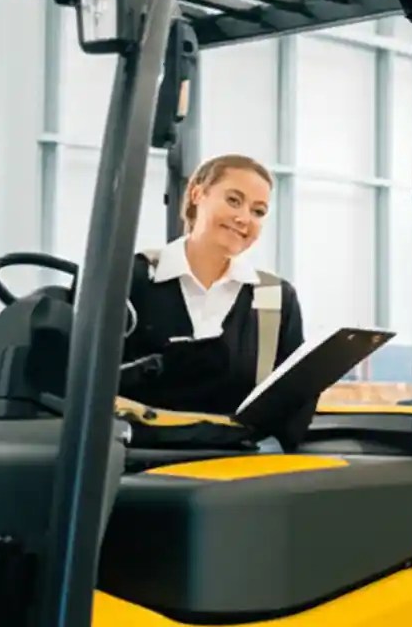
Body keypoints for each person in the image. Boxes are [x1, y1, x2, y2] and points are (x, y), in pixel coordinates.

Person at [120, 153, 314, 451]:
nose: (244, 218)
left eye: (258, 211)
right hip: (134, 464)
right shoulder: (128, 281)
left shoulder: (275, 300)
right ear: (198, 193)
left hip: (233, 471)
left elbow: (294, 403)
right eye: (234, 200)